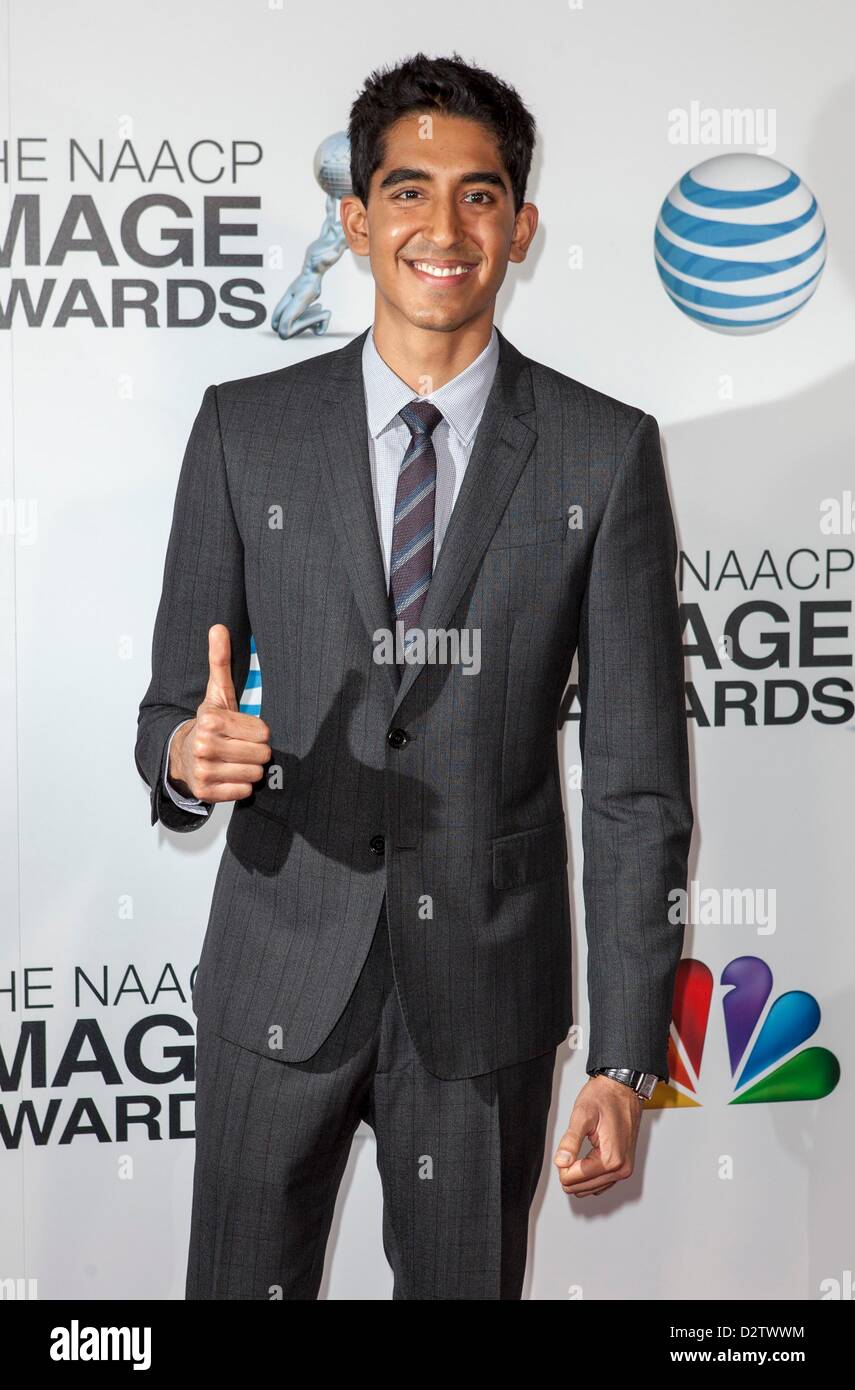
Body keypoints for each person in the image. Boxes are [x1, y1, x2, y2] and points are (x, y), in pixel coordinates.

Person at [135, 52, 693, 1301]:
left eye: (481, 195)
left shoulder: (604, 456)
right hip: (276, 981)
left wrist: (625, 1057)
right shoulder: (244, 428)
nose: (445, 228)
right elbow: (173, 710)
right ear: (356, 217)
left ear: (523, 225)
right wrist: (183, 754)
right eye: (408, 190)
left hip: (485, 1008)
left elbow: (636, 786)